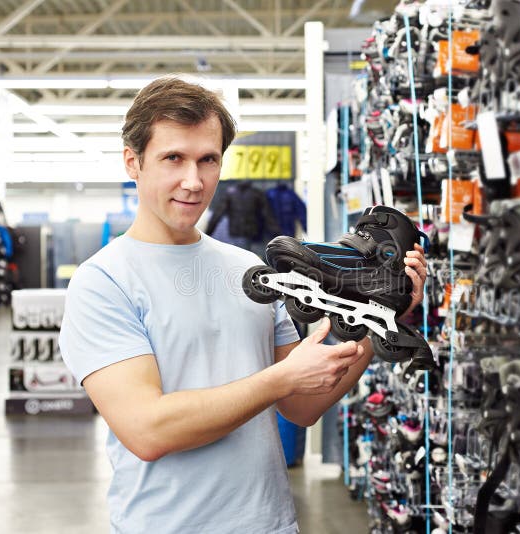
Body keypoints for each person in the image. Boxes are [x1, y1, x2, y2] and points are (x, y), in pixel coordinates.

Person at [58, 75, 427, 533]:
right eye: (173, 158)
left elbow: (301, 406)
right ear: (133, 162)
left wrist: (382, 320)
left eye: (207, 160)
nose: (193, 181)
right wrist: (280, 379)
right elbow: (148, 430)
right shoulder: (103, 282)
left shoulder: (244, 266)